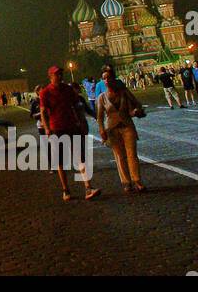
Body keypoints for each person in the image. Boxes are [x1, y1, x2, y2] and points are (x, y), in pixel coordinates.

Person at [38, 66, 101, 202]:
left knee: (80, 158)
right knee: (60, 161)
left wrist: (82, 123)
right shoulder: (45, 92)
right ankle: (65, 189)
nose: (60, 76)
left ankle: (88, 187)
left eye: (60, 74)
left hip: (72, 126)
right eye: (56, 74)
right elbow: (43, 112)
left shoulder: (68, 89)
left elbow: (77, 106)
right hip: (57, 129)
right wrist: (47, 128)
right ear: (50, 76)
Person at [96, 64, 146, 192]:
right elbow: (100, 116)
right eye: (104, 78)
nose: (106, 81)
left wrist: (136, 111)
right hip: (112, 129)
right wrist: (101, 130)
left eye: (108, 78)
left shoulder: (124, 92)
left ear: (114, 78)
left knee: (132, 154)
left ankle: (137, 180)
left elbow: (137, 104)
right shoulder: (102, 97)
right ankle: (126, 182)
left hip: (127, 126)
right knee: (119, 156)